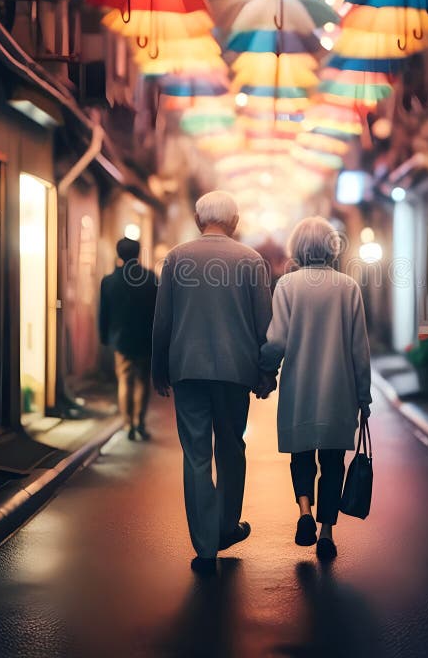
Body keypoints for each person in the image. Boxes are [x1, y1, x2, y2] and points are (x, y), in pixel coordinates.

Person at [151, 191, 274, 574]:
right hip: (236, 372)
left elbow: (163, 321)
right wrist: (267, 371)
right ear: (234, 221)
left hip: (187, 369)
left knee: (196, 454)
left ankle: (205, 547)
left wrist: (159, 368)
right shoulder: (252, 261)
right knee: (231, 448)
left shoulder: (176, 258)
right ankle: (225, 526)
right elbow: (265, 324)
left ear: (197, 218)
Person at [258, 216, 371, 561]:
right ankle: (326, 532)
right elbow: (359, 350)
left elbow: (276, 340)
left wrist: (263, 368)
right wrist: (364, 396)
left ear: (298, 248)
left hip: (300, 385)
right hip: (339, 390)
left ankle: (305, 513)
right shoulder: (348, 287)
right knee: (333, 460)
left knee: (302, 455)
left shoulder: (287, 286)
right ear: (331, 246)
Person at [99, 237, 157, 441]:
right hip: (145, 338)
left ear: (118, 254)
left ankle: (127, 424)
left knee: (125, 380)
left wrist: (104, 336)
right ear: (138, 253)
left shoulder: (109, 281)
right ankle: (140, 423)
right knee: (143, 381)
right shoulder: (150, 278)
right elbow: (157, 312)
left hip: (121, 339)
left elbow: (104, 313)